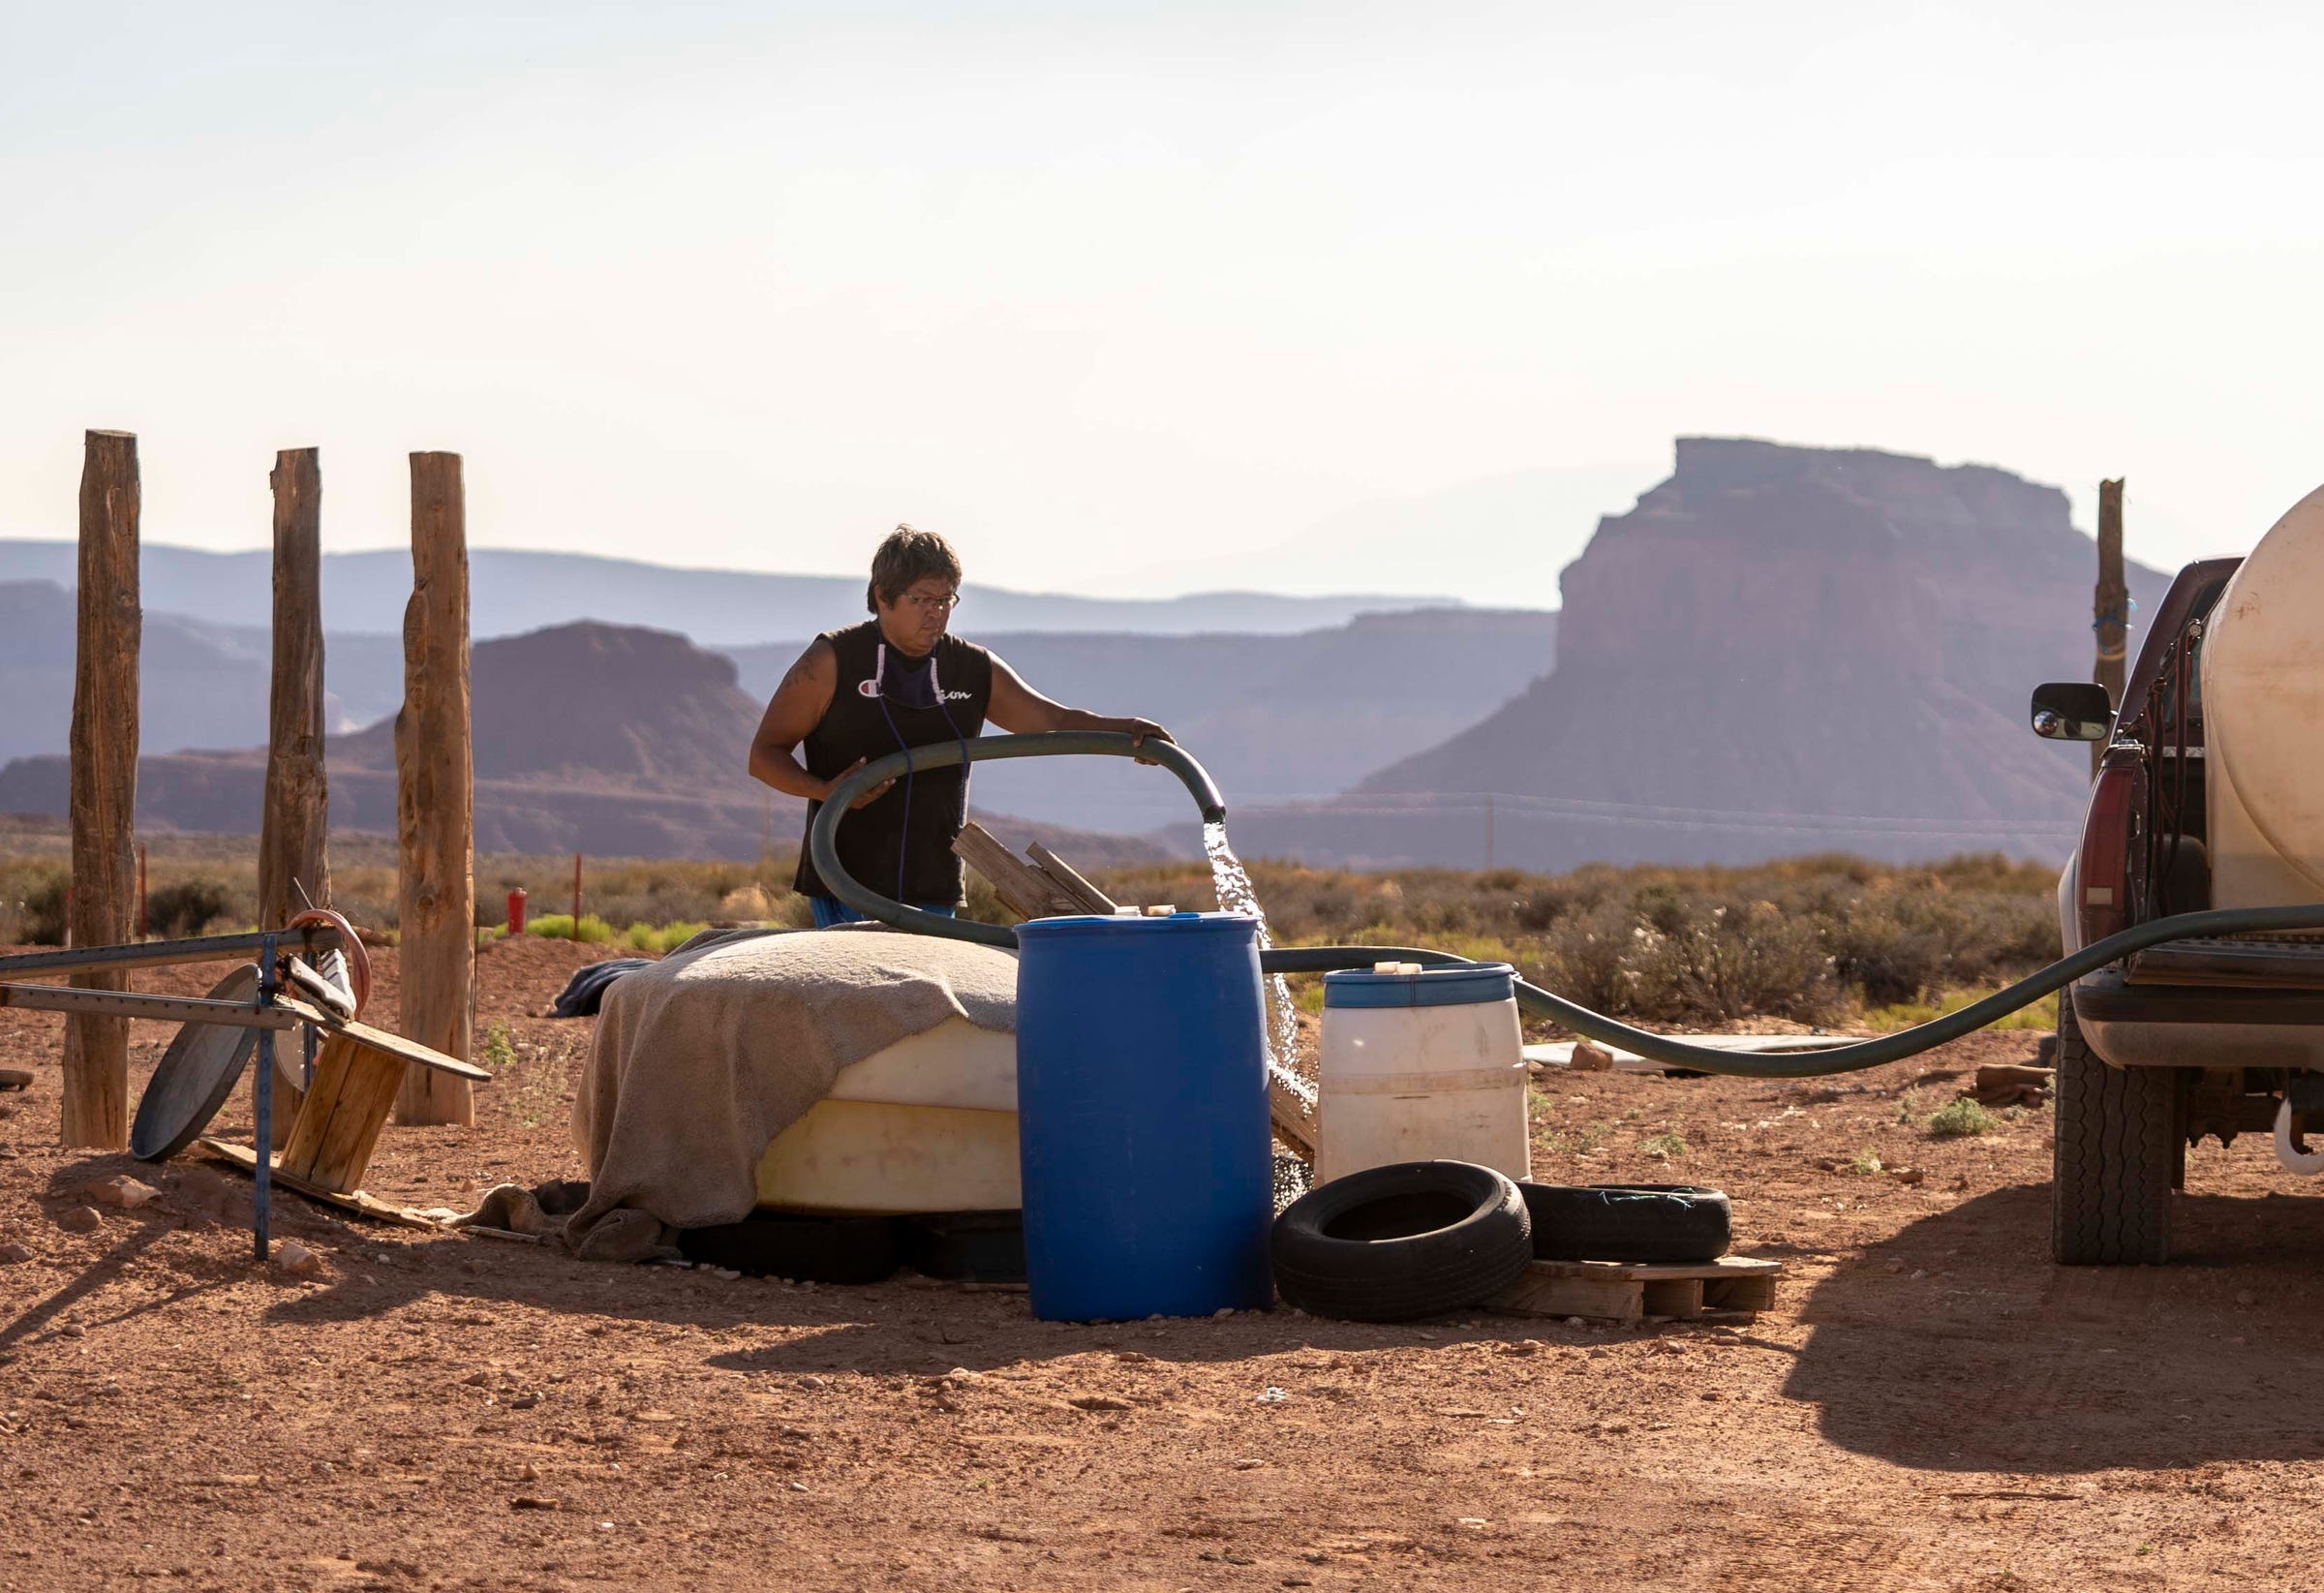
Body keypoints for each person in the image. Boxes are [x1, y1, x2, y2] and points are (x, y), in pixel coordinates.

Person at [749, 525, 1171, 927]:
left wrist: (1126, 730)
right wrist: (827, 791)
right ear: (882, 596)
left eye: (947, 599)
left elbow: (1051, 720)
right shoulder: (831, 660)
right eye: (921, 600)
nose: (936, 613)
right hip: (845, 881)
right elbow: (764, 754)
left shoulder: (973, 668)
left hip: (934, 883)